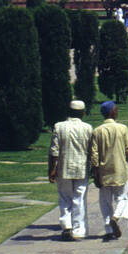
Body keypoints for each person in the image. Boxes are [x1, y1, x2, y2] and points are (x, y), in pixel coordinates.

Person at [49, 99, 94, 241]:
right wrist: (94, 168)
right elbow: (92, 150)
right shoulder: (87, 128)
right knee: (79, 198)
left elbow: (54, 150)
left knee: (64, 197)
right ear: (83, 113)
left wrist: (52, 169)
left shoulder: (59, 126)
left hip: (63, 168)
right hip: (81, 168)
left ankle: (66, 226)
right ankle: (79, 230)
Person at [89, 101, 128, 241]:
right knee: (122, 198)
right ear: (111, 112)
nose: (117, 111)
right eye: (116, 109)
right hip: (120, 169)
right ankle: (116, 217)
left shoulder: (97, 131)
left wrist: (95, 174)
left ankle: (109, 229)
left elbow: (94, 155)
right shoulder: (122, 128)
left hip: (104, 171)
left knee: (105, 202)